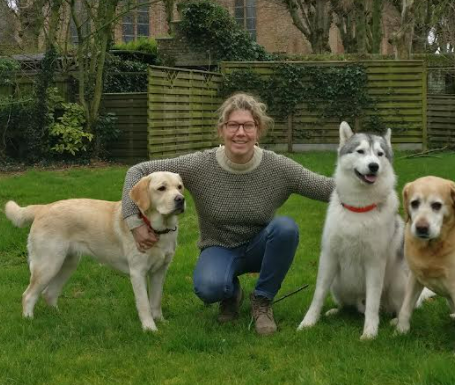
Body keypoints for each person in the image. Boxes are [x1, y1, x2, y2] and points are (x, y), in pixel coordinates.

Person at [120, 92, 333, 335]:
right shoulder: (200, 165)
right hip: (218, 248)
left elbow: (325, 188)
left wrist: (367, 182)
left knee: (286, 229)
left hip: (260, 247)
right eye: (233, 125)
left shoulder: (278, 167)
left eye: (248, 125)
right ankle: (231, 293)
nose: (240, 132)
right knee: (208, 288)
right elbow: (137, 171)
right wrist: (134, 223)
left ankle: (262, 300)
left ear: (258, 130)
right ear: (222, 130)